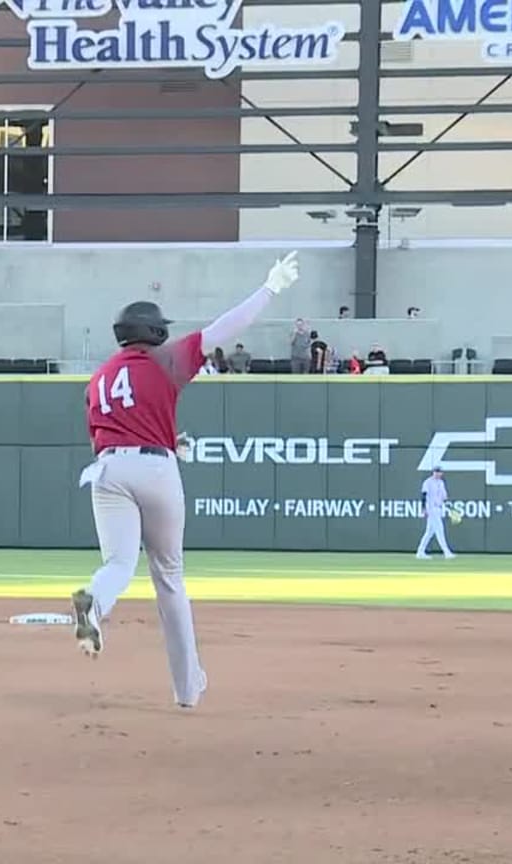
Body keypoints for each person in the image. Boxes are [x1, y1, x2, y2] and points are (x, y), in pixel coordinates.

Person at [71, 251, 301, 709]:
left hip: (107, 469)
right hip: (154, 469)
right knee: (169, 577)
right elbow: (225, 329)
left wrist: (164, 440)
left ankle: (95, 602)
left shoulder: (98, 378)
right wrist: (271, 287)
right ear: (154, 333)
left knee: (117, 564)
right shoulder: (166, 360)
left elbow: (107, 435)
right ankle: (187, 688)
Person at [415, 466, 455, 559]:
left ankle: (420, 552)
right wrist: (424, 508)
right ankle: (447, 552)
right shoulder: (428, 482)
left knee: (429, 532)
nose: (437, 473)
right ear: (433, 472)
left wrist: (449, 507)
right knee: (440, 530)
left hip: (439, 508)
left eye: (439, 472)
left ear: (442, 473)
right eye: (436, 472)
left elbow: (444, 497)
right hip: (431, 508)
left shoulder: (441, 483)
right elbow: (423, 495)